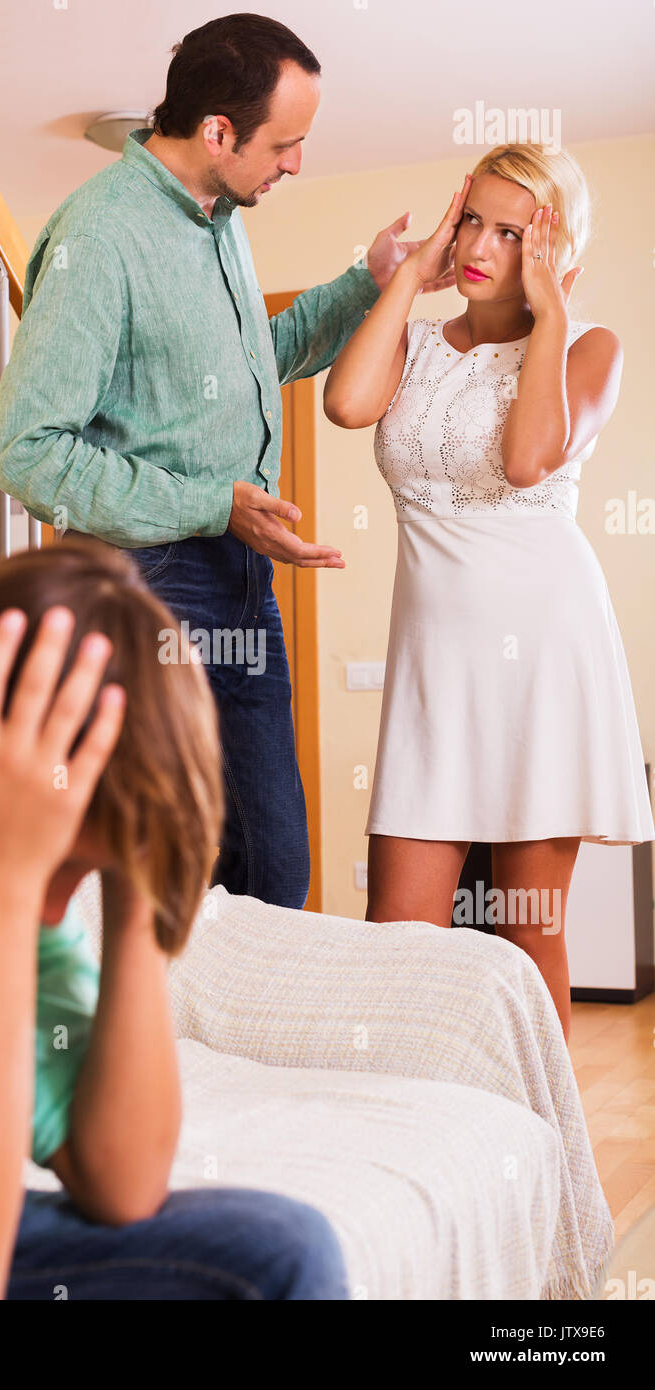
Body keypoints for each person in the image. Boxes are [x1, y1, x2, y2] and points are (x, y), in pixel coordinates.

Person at [0, 537, 348, 1299]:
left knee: (280, 1253)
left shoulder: (10, 864)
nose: (51, 914)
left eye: (86, 874)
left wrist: (138, 890)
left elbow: (123, 1182)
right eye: (51, 868)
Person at [0, 14, 454, 909]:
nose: (297, 164)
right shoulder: (101, 236)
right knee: (150, 874)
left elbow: (252, 365)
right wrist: (213, 505)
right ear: (216, 132)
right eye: (284, 144)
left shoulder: (220, 219)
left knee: (273, 870)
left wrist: (369, 282)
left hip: (237, 576)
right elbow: (28, 452)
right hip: (145, 583)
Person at [323, 143, 655, 1040]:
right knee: (397, 936)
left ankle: (542, 1123)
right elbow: (346, 405)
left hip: (543, 655)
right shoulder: (420, 343)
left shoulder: (589, 348)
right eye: (472, 220)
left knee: (525, 932)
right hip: (433, 669)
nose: (479, 245)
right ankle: (417, 1118)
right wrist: (409, 277)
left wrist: (550, 317)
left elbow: (527, 458)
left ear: (552, 251)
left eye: (512, 233)